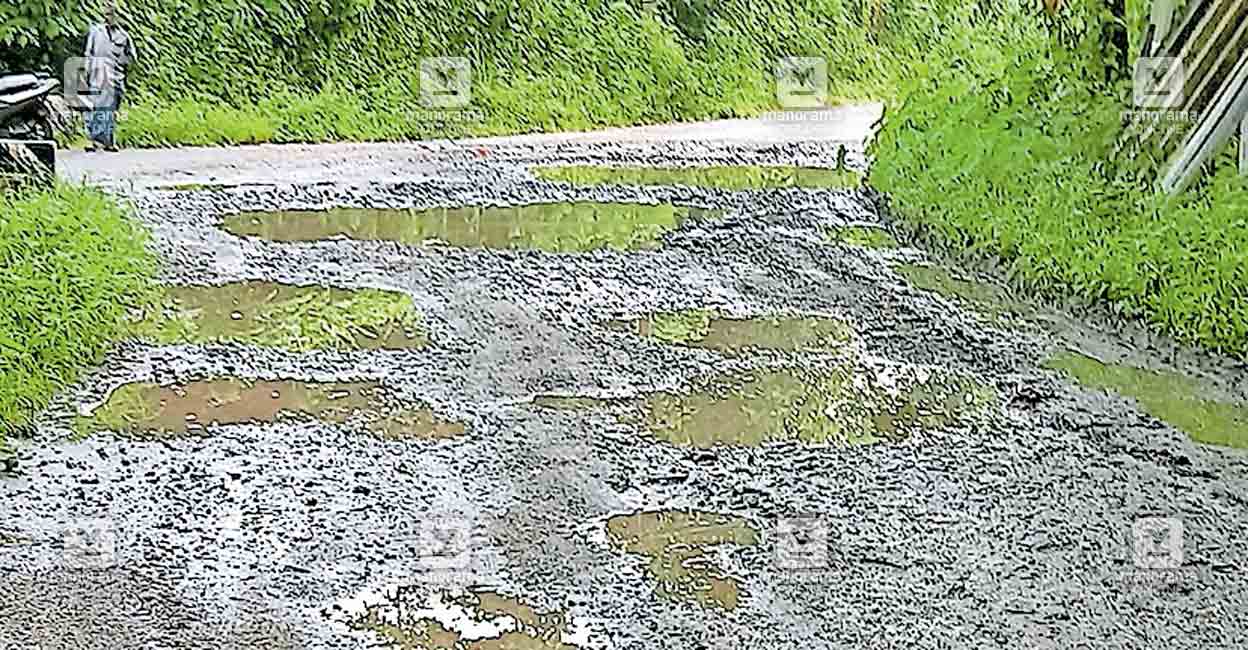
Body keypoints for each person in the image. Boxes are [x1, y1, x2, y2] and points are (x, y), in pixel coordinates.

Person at [83, 2, 136, 152]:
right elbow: (88, 52)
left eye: (112, 14)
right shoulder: (95, 32)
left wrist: (121, 66)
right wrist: (88, 70)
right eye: (106, 14)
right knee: (97, 106)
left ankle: (108, 140)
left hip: (115, 78)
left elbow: (131, 57)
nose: (109, 17)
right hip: (97, 74)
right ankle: (95, 140)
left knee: (111, 109)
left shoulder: (124, 36)